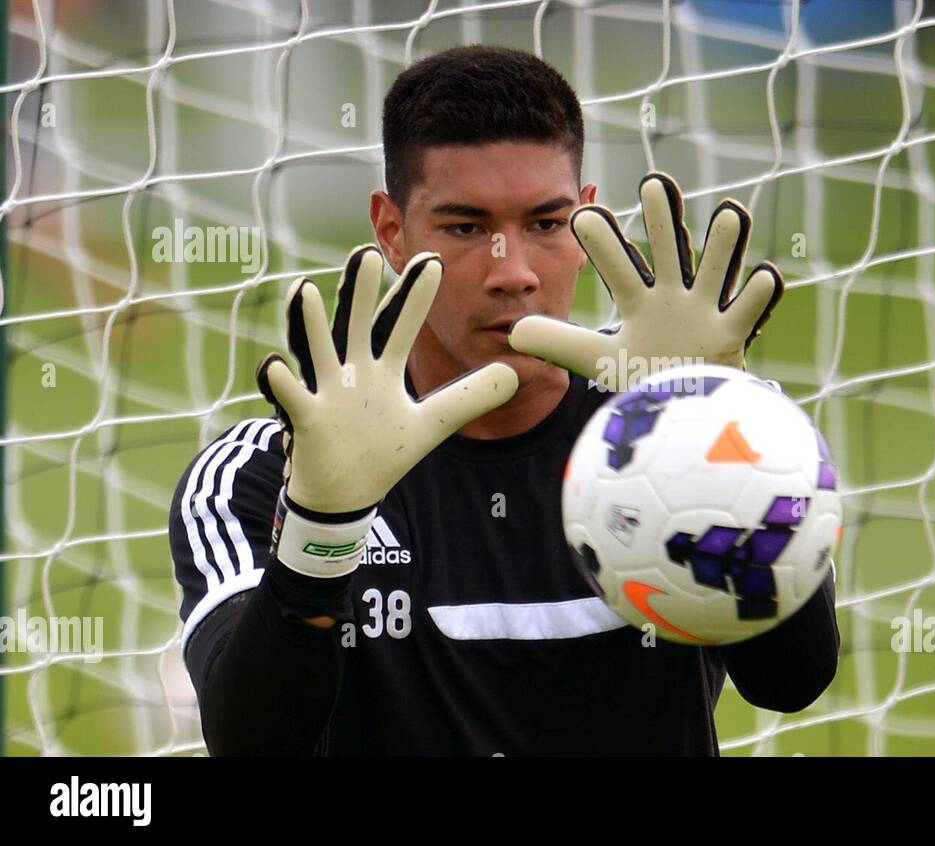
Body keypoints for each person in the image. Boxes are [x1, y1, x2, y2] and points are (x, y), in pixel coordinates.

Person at [169, 44, 839, 756]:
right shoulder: (271, 470)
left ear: (587, 221)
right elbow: (252, 744)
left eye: (545, 225)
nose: (512, 272)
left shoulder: (687, 418)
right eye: (465, 228)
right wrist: (319, 532)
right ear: (392, 232)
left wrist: (718, 439)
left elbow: (790, 680)